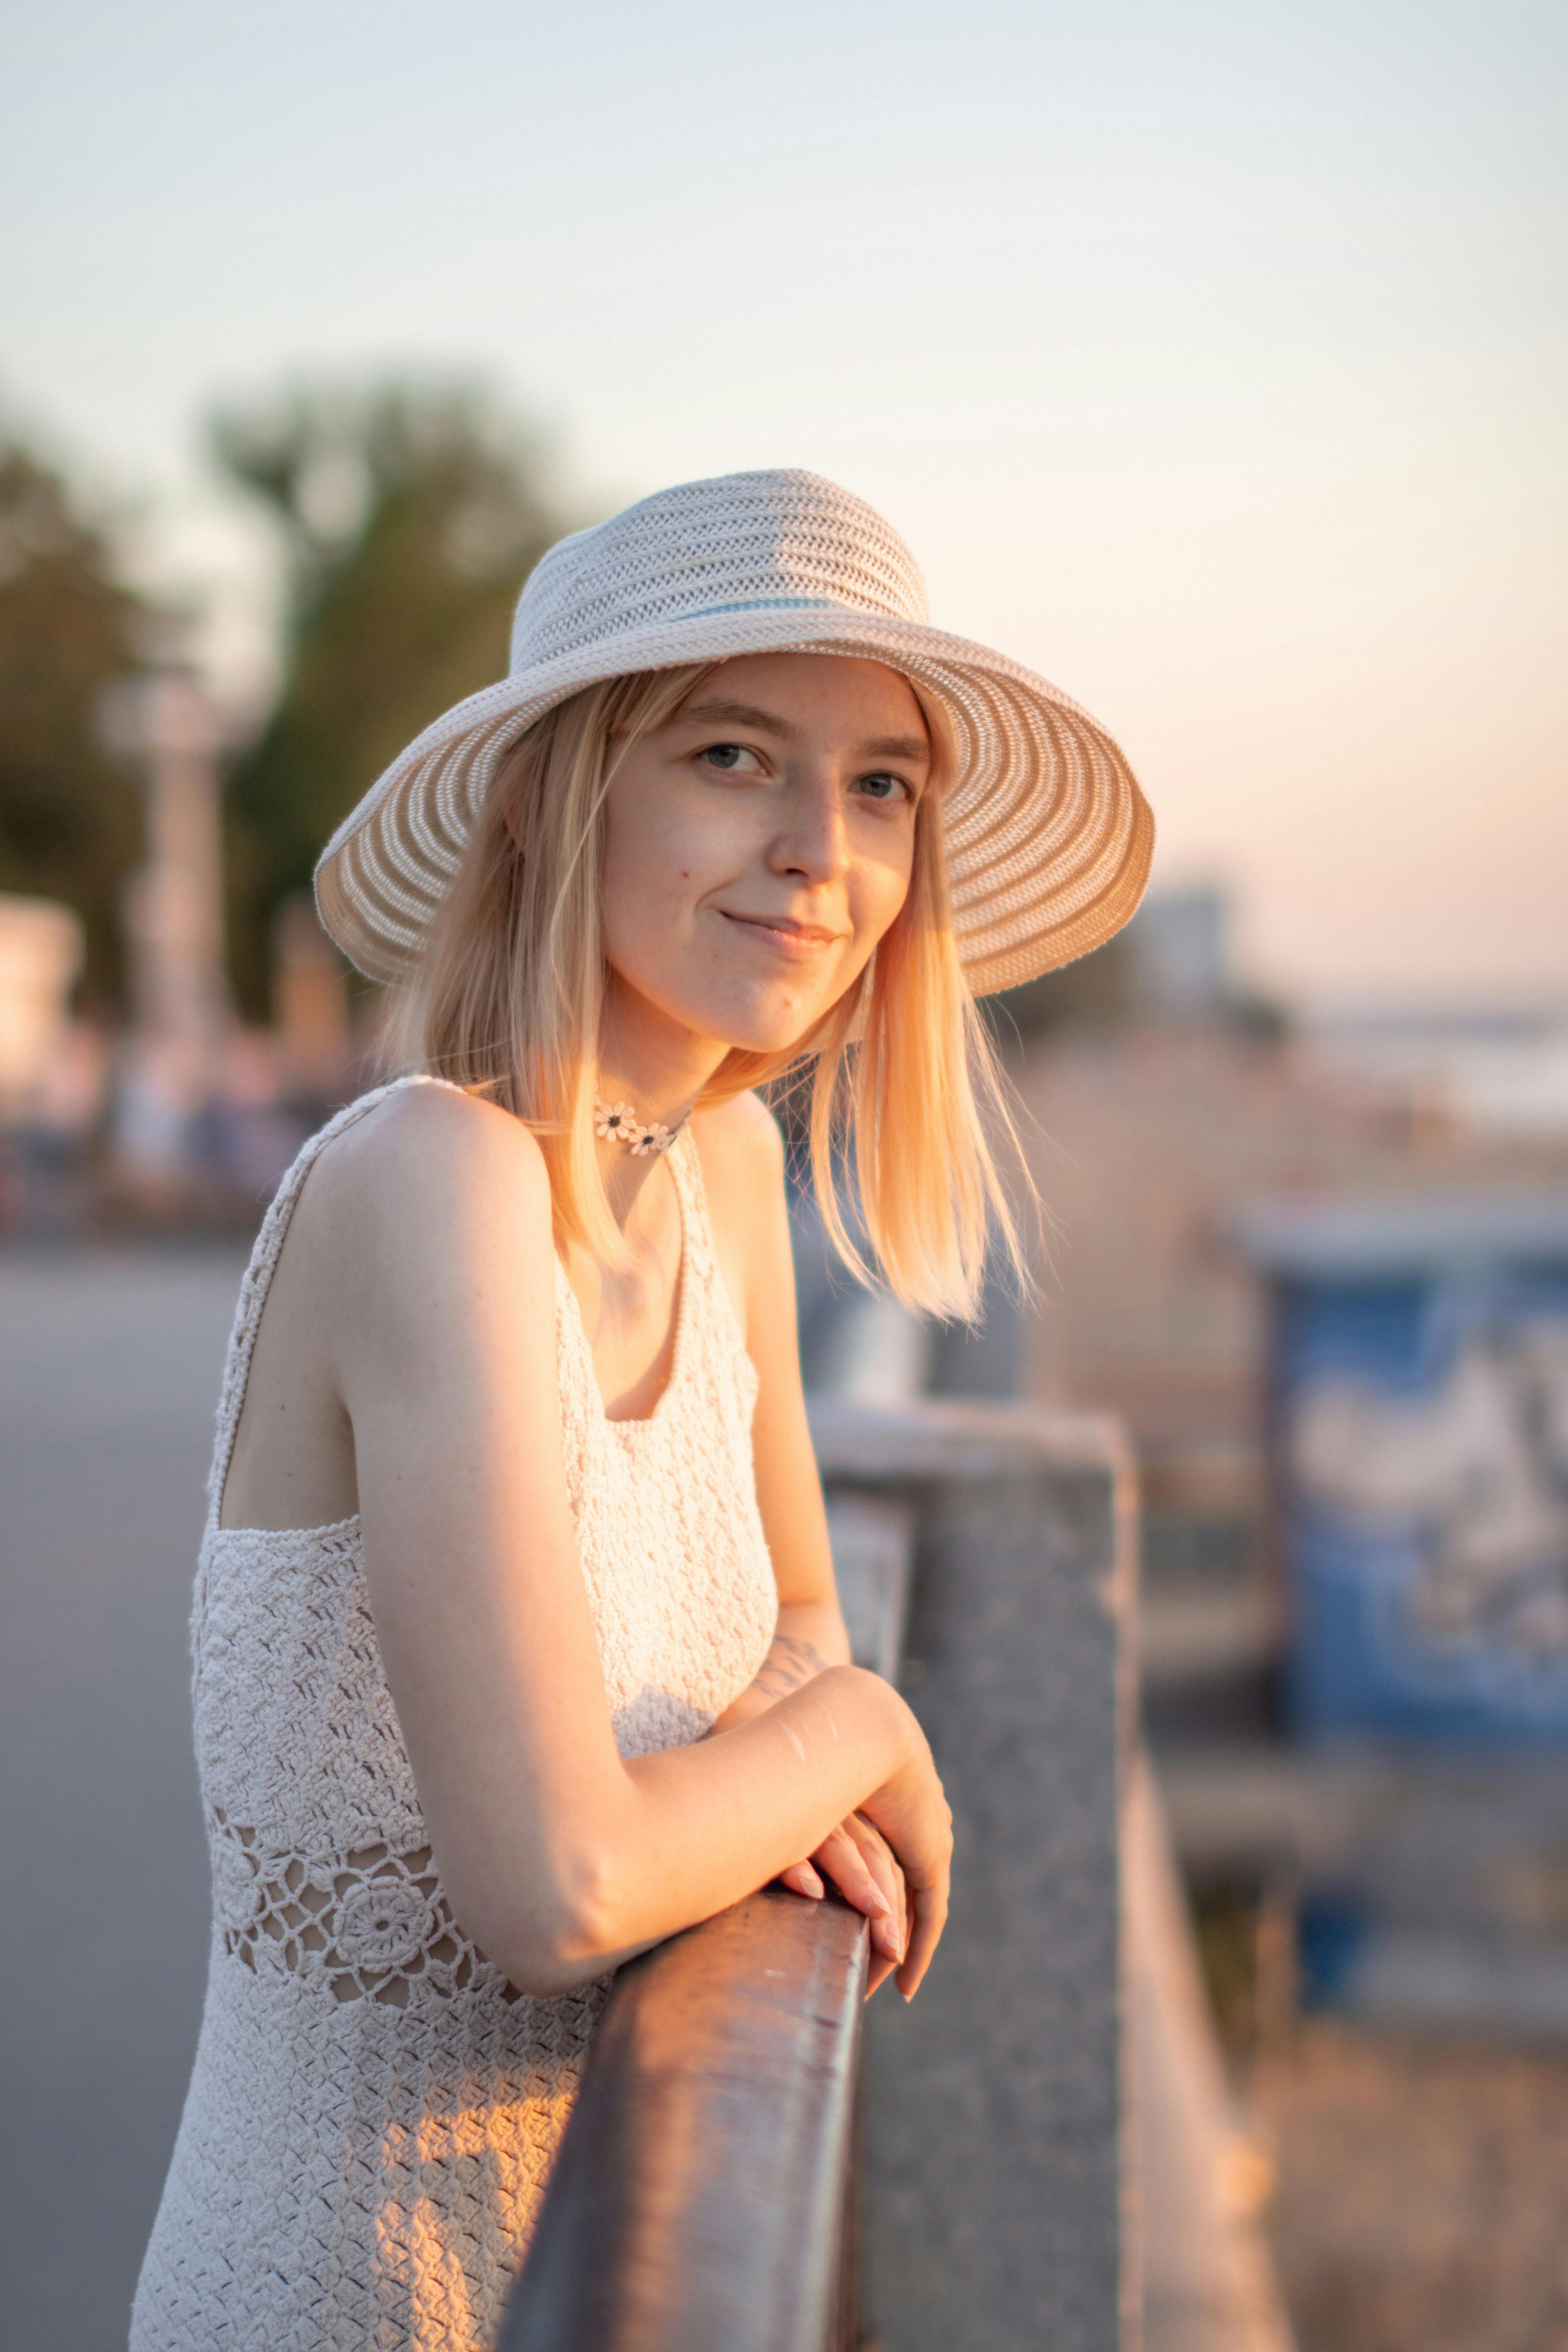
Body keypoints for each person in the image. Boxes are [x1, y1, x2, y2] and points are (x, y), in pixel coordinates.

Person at [131, 468, 1152, 2351]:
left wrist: (830, 1698)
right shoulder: (422, 1181)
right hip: (336, 2299)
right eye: (732, 757)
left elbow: (799, 1626)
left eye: (878, 786)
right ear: (555, 794)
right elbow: (564, 1882)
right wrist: (855, 1729)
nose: (818, 856)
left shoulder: (721, 1177)